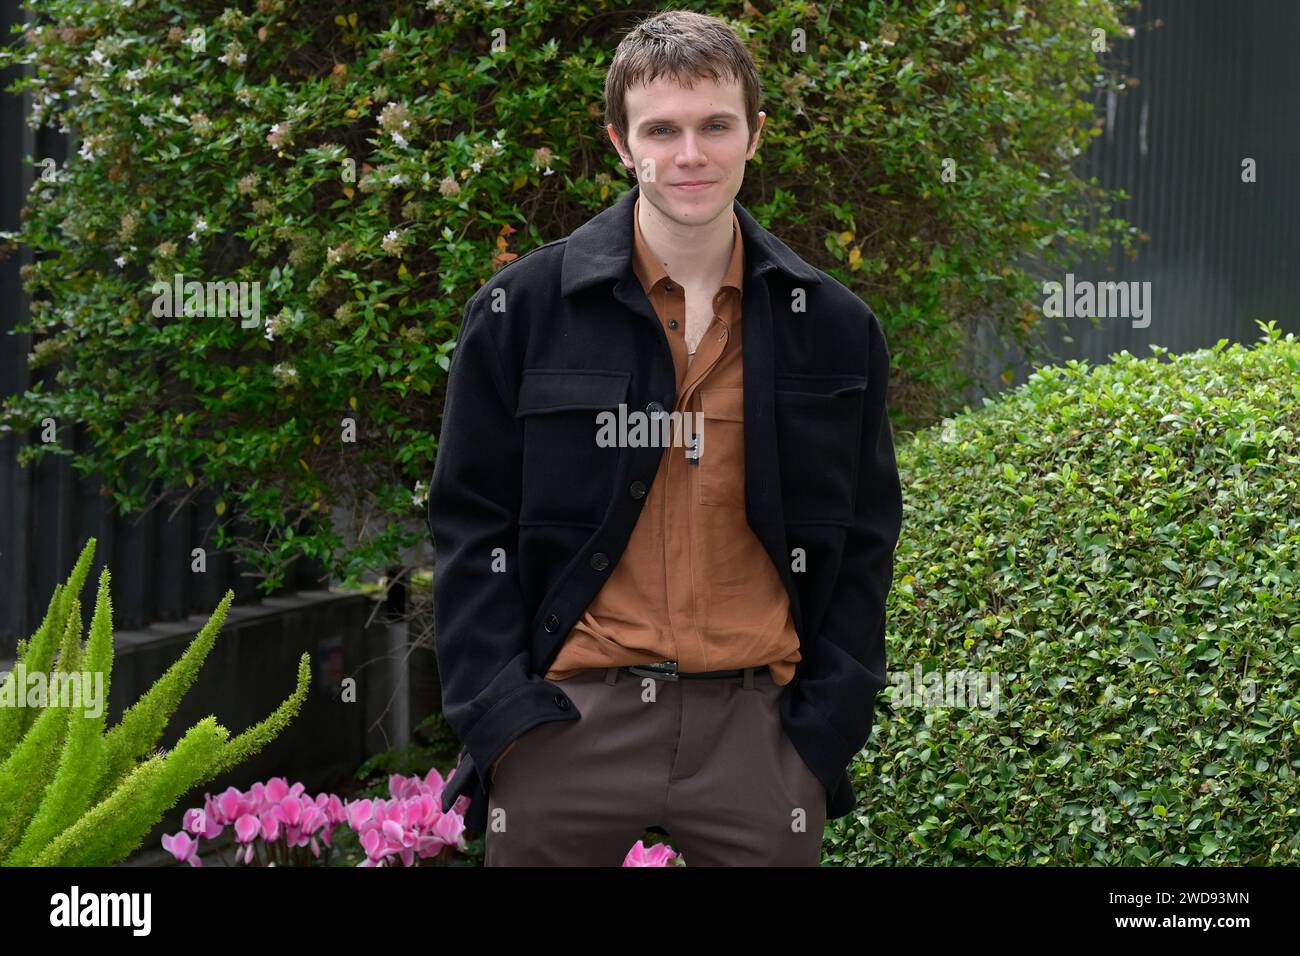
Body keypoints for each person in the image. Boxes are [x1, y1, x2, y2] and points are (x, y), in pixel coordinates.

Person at [427, 9, 903, 866]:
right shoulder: (521, 313)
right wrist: (501, 717)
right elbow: (469, 525)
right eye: (663, 130)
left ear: (754, 134)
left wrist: (824, 728)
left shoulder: (832, 326)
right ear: (621, 143)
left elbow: (866, 540)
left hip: (759, 737)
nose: (691, 154)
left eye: (716, 125)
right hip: (566, 727)